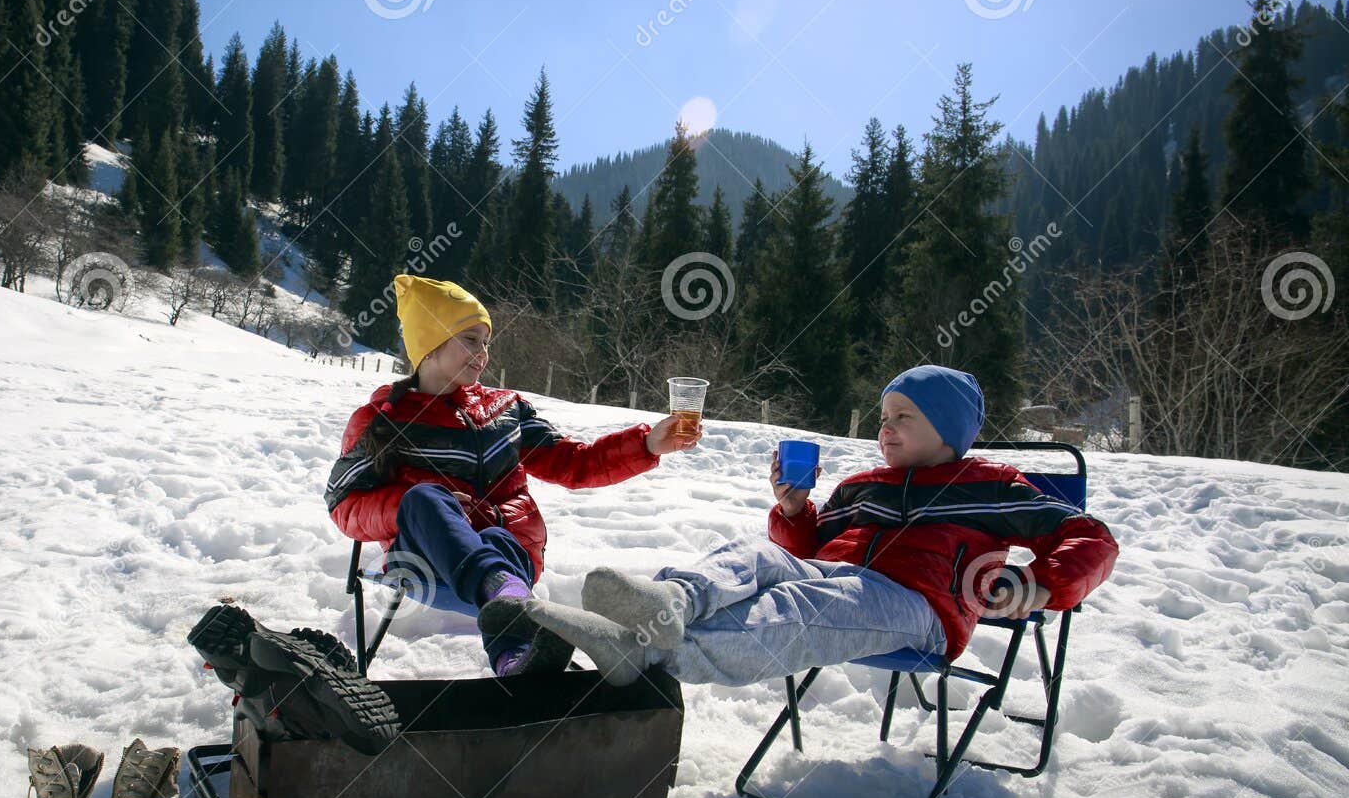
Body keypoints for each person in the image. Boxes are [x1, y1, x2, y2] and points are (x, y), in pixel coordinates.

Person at [481, 365, 1118, 687]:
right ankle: (668, 603)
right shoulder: (861, 488)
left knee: (802, 600)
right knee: (756, 556)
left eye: (904, 417)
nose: (885, 428)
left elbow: (1091, 537)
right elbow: (807, 552)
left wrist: (1040, 583)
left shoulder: (990, 488)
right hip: (835, 578)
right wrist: (793, 514)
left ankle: (652, 652)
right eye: (883, 416)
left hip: (919, 609)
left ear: (949, 433)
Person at [325, 274, 696, 675]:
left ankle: (513, 660)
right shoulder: (383, 420)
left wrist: (646, 445)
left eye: (486, 341)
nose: (483, 353)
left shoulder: (504, 411)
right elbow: (343, 504)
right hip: (429, 563)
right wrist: (404, 506)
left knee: (498, 537)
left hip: (513, 556)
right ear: (429, 345)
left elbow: (577, 463)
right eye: (470, 339)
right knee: (424, 498)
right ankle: (506, 596)